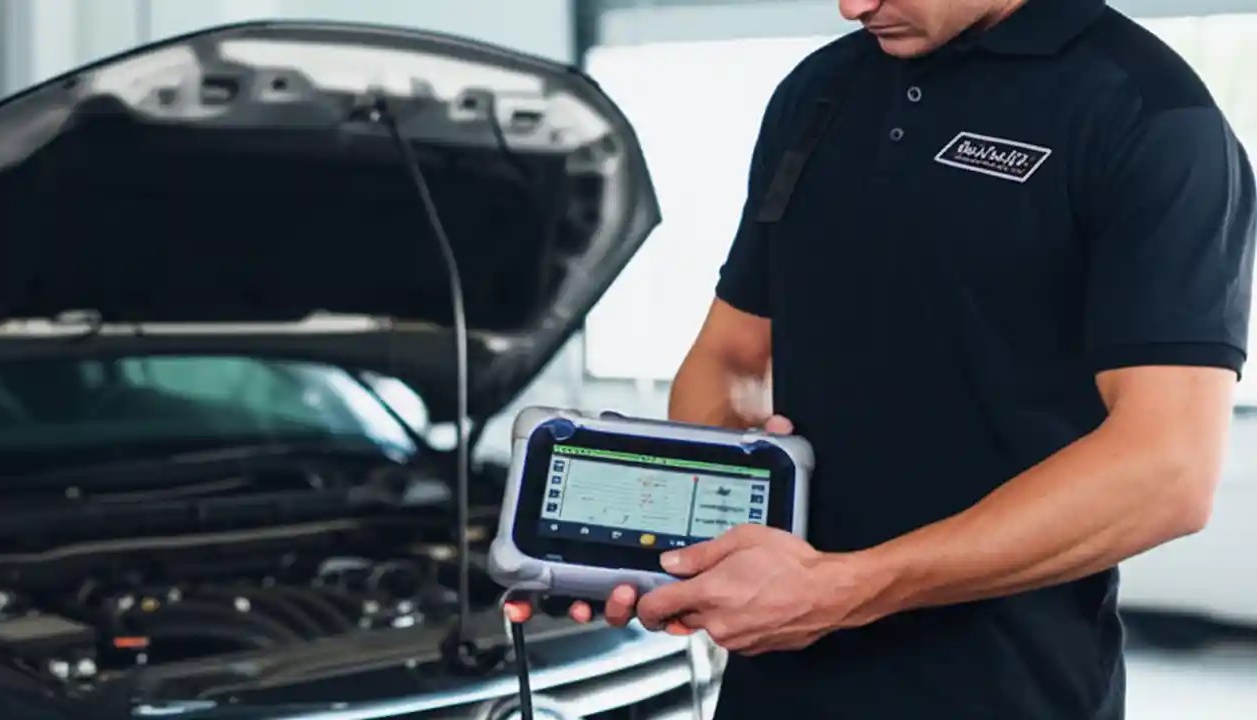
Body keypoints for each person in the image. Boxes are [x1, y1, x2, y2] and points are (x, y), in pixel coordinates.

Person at [509, 0, 1256, 717]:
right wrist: (698, 540)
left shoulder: (1153, 117)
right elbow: (731, 356)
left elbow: (1167, 470)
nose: (851, 5)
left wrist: (846, 588)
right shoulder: (817, 92)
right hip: (776, 680)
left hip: (1004, 691)